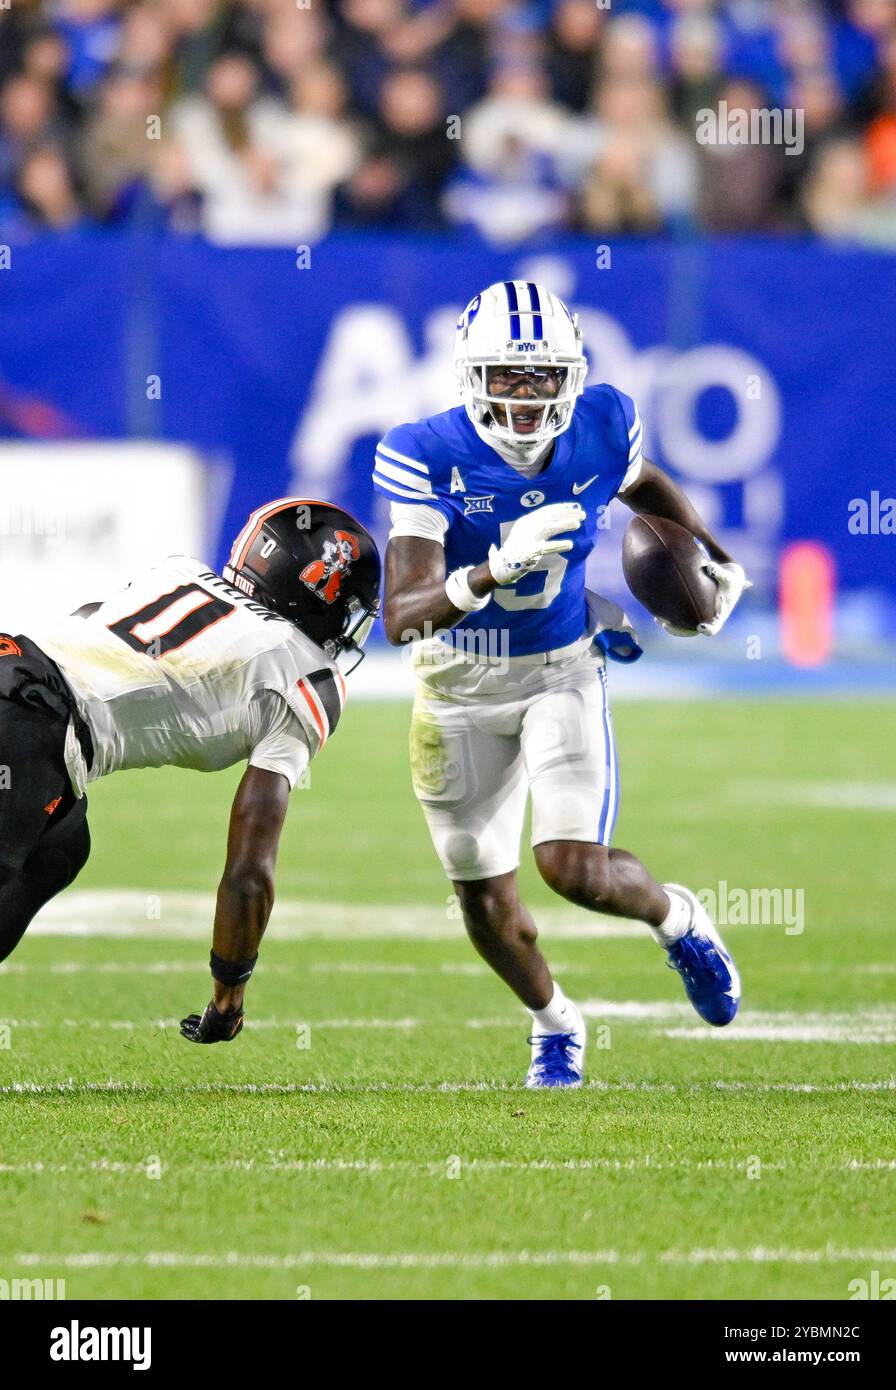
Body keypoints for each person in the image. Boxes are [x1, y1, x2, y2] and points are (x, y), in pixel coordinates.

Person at [374, 280, 748, 1088]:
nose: (527, 393)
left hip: (561, 667)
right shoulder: (424, 452)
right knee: (483, 900)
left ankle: (676, 918)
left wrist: (707, 557)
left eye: (543, 375)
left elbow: (644, 485)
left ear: (570, 376)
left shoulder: (604, 424)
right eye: (508, 375)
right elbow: (401, 618)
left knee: (572, 867)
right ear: (472, 376)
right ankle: (556, 1024)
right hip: (455, 686)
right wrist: (488, 572)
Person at [0, 499, 380, 1043]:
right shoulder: (305, 672)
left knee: (59, 849)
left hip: (16, 667)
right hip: (31, 726)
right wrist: (229, 993)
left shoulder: (181, 572)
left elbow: (90, 617)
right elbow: (249, 871)